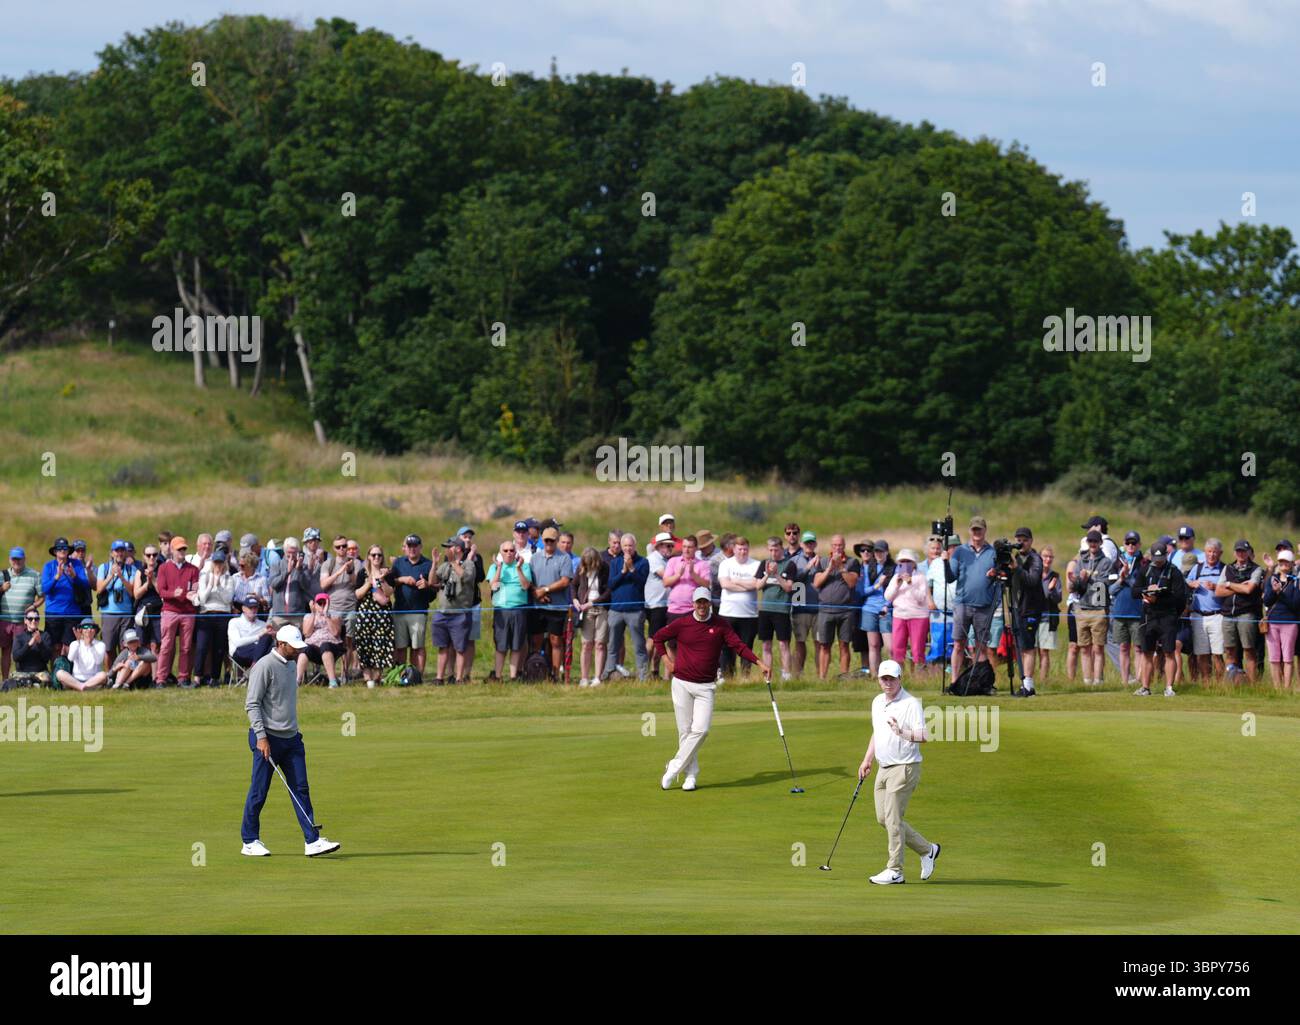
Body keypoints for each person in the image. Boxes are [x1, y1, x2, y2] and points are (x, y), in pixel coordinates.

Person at [651, 586, 770, 792]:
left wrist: (759, 663)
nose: (702, 606)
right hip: (681, 683)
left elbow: (739, 646)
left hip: (705, 686)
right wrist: (667, 662)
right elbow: (658, 638)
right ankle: (691, 776)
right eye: (699, 602)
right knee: (685, 731)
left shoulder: (720, 625)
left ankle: (674, 766)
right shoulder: (682, 623)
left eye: (705, 602)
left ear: (710, 603)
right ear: (693, 604)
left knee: (702, 730)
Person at [240, 624, 341, 858]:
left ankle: (312, 840)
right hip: (267, 738)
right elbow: (252, 704)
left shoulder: (292, 663)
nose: (297, 651)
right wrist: (261, 737)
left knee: (301, 789)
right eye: (293, 647)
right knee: (259, 791)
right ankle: (249, 840)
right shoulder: (264, 666)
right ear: (281, 644)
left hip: (292, 738)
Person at [857, 659, 940, 885]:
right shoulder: (877, 702)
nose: (888, 683)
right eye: (884, 679)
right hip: (883, 768)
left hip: (905, 767)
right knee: (884, 818)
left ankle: (895, 870)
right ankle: (927, 849)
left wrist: (901, 732)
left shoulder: (911, 703)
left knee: (893, 818)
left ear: (900, 679)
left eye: (892, 678)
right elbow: (878, 733)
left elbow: (924, 735)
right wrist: (867, 760)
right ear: (879, 680)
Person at [943, 517, 999, 682]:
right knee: (959, 644)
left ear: (985, 530)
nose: (977, 532)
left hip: (984, 605)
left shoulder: (992, 552)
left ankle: (980, 681)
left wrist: (995, 574)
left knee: (981, 646)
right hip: (962, 604)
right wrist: (945, 561)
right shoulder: (960, 551)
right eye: (974, 529)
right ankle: (954, 681)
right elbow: (950, 578)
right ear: (970, 531)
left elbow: (1000, 576)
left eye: (979, 529)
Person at [1132, 542, 1188, 697]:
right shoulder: (1145, 569)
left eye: (1161, 557)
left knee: (1169, 652)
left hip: (1167, 617)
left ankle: (1169, 687)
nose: (1158, 560)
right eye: (1155, 557)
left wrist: (1160, 598)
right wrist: (1147, 591)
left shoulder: (1174, 572)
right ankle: (1145, 687)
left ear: (1166, 555)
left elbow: (1179, 598)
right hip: (1148, 616)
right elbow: (1134, 591)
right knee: (1147, 652)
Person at [154, 536, 200, 688]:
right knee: (166, 645)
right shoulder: (163, 568)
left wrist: (191, 594)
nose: (182, 551)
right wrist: (175, 593)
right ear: (172, 550)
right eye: (179, 549)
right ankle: (161, 678)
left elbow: (194, 588)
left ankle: (183, 678)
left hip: (187, 612)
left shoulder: (193, 569)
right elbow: (161, 591)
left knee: (186, 647)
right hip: (170, 611)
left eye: (184, 549)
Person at [431, 537, 478, 684]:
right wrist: (434, 563)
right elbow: (433, 581)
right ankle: (439, 678)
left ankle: (459, 678)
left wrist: (453, 562)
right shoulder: (445, 566)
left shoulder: (469, 564)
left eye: (449, 547)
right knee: (442, 647)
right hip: (442, 612)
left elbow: (466, 577)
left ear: (457, 549)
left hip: (460, 613)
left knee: (460, 648)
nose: (446, 550)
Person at [604, 533, 650, 681]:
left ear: (635, 546)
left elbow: (641, 582)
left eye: (630, 545)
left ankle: (643, 676)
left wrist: (631, 569)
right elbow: (611, 584)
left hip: (635, 611)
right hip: (616, 610)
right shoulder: (615, 562)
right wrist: (623, 572)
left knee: (639, 645)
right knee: (612, 645)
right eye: (625, 546)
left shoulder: (643, 562)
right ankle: (609, 673)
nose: (627, 548)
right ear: (621, 547)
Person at [1217, 540, 1263, 683]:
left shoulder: (1256, 569)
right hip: (1228, 615)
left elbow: (1249, 589)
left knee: (1249, 650)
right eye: (1238, 551)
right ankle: (1231, 683)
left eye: (1243, 551)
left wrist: (1230, 585)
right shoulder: (1228, 568)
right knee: (1229, 650)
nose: (1241, 554)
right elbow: (1218, 591)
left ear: (1249, 552)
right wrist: (1239, 587)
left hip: (1246, 614)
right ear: (1234, 553)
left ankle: (1251, 684)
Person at [1005, 527, 1044, 697]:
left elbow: (1032, 580)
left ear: (1031, 541)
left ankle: (1028, 685)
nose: (1021, 543)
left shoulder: (1035, 559)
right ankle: (1025, 683)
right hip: (1016, 607)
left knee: (1028, 647)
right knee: (1020, 647)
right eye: (1018, 539)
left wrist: (1016, 568)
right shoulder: (1013, 558)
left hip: (1030, 609)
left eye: (1025, 539)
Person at [529, 526, 573, 676]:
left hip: (557, 607)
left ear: (556, 541)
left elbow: (565, 581)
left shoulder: (564, 558)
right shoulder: (534, 558)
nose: (548, 543)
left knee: (555, 641)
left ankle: (554, 674)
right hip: (538, 606)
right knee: (536, 641)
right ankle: (535, 672)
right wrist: (538, 593)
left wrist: (545, 590)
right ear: (542, 540)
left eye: (551, 540)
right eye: (546, 540)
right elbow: (530, 581)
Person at [1071, 530, 1113, 687]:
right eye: (1090, 542)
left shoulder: (1106, 562)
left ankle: (1098, 680)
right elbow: (1076, 586)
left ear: (1100, 543)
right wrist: (1075, 581)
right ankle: (1087, 681)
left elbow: (1103, 585)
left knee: (1098, 648)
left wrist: (1087, 578)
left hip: (1099, 609)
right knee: (1084, 648)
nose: (1093, 544)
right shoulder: (1081, 560)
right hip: (1082, 608)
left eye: (1095, 541)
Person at [487, 539, 533, 681]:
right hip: (501, 610)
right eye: (505, 550)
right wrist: (499, 567)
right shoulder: (494, 567)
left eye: (511, 550)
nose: (508, 553)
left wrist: (518, 569)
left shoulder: (524, 567)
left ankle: (513, 676)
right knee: (501, 645)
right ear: (501, 552)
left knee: (516, 645)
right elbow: (493, 586)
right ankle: (498, 676)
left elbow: (525, 586)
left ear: (515, 552)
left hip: (518, 609)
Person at [717, 536, 763, 677]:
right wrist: (747, 585)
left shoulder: (756, 564)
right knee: (726, 647)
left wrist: (736, 581)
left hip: (749, 615)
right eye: (740, 549)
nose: (743, 552)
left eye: (745, 549)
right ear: (734, 549)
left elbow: (757, 585)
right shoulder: (725, 564)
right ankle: (727, 677)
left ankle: (745, 677)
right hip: (728, 613)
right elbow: (725, 584)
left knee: (746, 647)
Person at [1108, 532, 1148, 688]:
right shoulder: (1116, 563)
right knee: (1123, 647)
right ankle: (1125, 681)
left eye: (1134, 543)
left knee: (1138, 648)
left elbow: (1142, 589)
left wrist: (1129, 578)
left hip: (1137, 611)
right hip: (1120, 611)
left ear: (1138, 545)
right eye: (1128, 543)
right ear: (1123, 544)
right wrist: (1121, 579)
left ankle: (1138, 680)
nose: (1131, 546)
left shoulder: (1144, 563)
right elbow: (1111, 590)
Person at [391, 533, 434, 674]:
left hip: (418, 611)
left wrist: (427, 584)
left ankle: (417, 675)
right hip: (400, 610)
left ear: (420, 547)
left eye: (415, 546)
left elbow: (435, 587)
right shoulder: (398, 563)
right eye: (409, 546)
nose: (412, 549)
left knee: (418, 646)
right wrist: (402, 579)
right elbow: (391, 583)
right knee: (400, 646)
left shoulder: (428, 564)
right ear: (405, 548)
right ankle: (401, 674)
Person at [353, 544, 396, 688]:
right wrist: (369, 582)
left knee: (381, 645)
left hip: (382, 616)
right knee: (365, 644)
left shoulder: (388, 573)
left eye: (379, 555)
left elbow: (390, 593)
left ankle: (377, 678)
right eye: (373, 555)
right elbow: (357, 594)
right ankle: (367, 678)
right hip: (365, 615)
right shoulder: (362, 573)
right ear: (369, 557)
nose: (376, 557)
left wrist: (382, 579)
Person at [757, 536, 797, 681]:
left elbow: (788, 587)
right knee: (766, 644)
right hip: (765, 609)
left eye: (776, 549)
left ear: (781, 548)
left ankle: (786, 674)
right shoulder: (763, 564)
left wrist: (777, 575)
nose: (773, 553)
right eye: (771, 550)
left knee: (783, 644)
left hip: (781, 610)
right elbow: (757, 586)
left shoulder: (789, 564)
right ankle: (767, 675)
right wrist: (767, 573)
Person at [1186, 538, 1226, 681]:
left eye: (1215, 552)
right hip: (1198, 616)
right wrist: (1192, 584)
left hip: (1217, 615)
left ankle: (1220, 684)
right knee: (1202, 653)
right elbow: (1186, 582)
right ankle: (1206, 683)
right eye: (1209, 551)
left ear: (1220, 553)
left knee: (1217, 653)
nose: (1212, 555)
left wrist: (1216, 588)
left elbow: (1229, 588)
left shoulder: (1224, 569)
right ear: (1205, 552)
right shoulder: (1197, 568)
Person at [194, 548, 236, 686]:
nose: (218, 565)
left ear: (224, 563)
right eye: (216, 562)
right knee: (202, 646)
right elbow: (203, 599)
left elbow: (227, 599)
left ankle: (215, 677)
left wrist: (218, 586)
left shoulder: (229, 578)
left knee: (219, 648)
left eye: (220, 562)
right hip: (206, 613)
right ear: (212, 563)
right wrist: (211, 585)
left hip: (223, 614)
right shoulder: (204, 576)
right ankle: (197, 677)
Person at [40, 537, 88, 656]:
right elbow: (45, 589)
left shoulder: (76, 564)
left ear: (68, 551)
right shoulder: (48, 566)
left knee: (69, 647)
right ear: (55, 552)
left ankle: (67, 673)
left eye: (65, 548)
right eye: (59, 548)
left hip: (72, 612)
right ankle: (56, 673)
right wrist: (56, 577)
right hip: (53, 612)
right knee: (55, 647)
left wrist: (74, 576)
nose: (62, 550)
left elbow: (86, 585)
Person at [1, 547, 43, 678]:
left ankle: (20, 678)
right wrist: (2, 588)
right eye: (14, 559)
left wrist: (34, 606)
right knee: (5, 651)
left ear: (24, 559)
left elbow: (42, 596)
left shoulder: (34, 575)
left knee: (21, 652)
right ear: (10, 560)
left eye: (19, 559)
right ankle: (6, 680)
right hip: (4, 621)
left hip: (23, 622)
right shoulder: (2, 575)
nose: (16, 561)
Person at [884, 549, 929, 673]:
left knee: (917, 649)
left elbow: (921, 598)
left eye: (908, 561)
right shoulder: (895, 577)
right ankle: (899, 676)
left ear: (914, 563)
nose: (905, 564)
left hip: (918, 616)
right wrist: (897, 585)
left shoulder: (921, 577)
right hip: (899, 615)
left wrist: (910, 583)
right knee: (897, 648)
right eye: (902, 562)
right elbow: (888, 597)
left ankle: (919, 678)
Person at [572, 547, 610, 688]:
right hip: (585, 610)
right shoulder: (581, 568)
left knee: (600, 643)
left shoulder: (605, 567)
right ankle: (584, 678)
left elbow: (608, 591)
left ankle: (597, 678)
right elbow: (573, 585)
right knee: (586, 644)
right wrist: (575, 599)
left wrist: (592, 603)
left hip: (601, 609)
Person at [1262, 550, 1300, 690]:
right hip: (1273, 622)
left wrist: (1280, 593)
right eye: (1281, 562)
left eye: (1286, 562)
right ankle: (1277, 689)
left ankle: (1287, 688)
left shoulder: (1296, 581)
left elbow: (1296, 604)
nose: (1283, 564)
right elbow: (1266, 601)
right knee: (1274, 657)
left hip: (1290, 623)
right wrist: (1273, 591)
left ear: (1291, 564)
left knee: (1288, 657)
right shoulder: (1272, 579)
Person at [852, 540, 889, 677]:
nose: (866, 552)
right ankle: (872, 674)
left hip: (884, 609)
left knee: (886, 645)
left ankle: (888, 674)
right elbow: (860, 591)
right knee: (870, 645)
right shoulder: (862, 568)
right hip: (866, 608)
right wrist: (877, 586)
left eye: (869, 550)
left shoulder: (889, 567)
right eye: (863, 550)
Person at [95, 540, 137, 659]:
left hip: (126, 614)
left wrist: (121, 577)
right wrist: (110, 576)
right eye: (117, 550)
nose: (119, 553)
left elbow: (132, 592)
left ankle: (123, 676)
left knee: (125, 648)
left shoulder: (131, 569)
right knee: (108, 648)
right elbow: (99, 589)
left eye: (122, 550)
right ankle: (110, 676)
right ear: (112, 553)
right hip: (108, 613)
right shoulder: (103, 567)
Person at [790, 531, 822, 676]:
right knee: (800, 643)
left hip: (818, 607)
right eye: (806, 542)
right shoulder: (794, 560)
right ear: (801, 544)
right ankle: (798, 675)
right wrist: (808, 568)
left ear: (815, 544)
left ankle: (820, 675)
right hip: (800, 607)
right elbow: (794, 581)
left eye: (811, 542)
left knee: (819, 643)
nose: (809, 545)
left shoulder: (821, 560)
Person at [267, 536, 316, 628]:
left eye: (294, 553)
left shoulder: (303, 567)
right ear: (284, 551)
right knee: (279, 640)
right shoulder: (277, 565)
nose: (292, 555)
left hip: (297, 614)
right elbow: (273, 584)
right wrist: (287, 572)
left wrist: (298, 570)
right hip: (279, 614)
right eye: (289, 552)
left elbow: (306, 586)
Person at [456, 526, 484, 679]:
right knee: (456, 640)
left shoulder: (477, 557)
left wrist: (473, 559)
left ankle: (466, 673)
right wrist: (467, 558)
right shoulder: (452, 555)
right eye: (464, 536)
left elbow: (479, 577)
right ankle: (454, 673)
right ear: (458, 538)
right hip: (457, 604)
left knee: (470, 640)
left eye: (469, 537)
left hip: (473, 602)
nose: (467, 539)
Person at [643, 533, 673, 678]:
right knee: (653, 639)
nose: (670, 548)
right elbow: (666, 576)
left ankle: (655, 671)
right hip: (655, 605)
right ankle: (644, 671)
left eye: (671, 545)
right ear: (659, 546)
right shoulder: (653, 559)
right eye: (667, 545)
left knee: (661, 640)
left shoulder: (667, 560)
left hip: (666, 604)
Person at [301, 594, 346, 687]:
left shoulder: (334, 615)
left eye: (324, 603)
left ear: (328, 604)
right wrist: (313, 614)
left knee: (325, 646)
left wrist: (326, 615)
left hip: (332, 646)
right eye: (319, 603)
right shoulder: (308, 616)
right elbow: (307, 633)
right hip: (313, 647)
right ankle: (297, 681)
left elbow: (335, 633)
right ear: (315, 604)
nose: (322, 605)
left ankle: (333, 682)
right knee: (304, 650)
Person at [56, 618, 109, 691]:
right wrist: (78, 642)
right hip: (76, 679)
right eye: (85, 627)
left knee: (103, 675)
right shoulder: (74, 643)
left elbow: (98, 661)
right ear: (81, 631)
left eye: (92, 627)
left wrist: (90, 644)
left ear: (95, 631)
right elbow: (70, 658)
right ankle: (82, 687)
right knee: (59, 673)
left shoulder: (100, 644)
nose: (89, 630)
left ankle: (80, 687)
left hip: (93, 679)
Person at [132, 544, 164, 656]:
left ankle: (156, 674)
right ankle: (144, 673)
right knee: (142, 645)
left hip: (158, 611)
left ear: (158, 555)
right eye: (148, 555)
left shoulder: (163, 570)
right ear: (144, 556)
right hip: (143, 612)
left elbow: (163, 593)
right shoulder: (139, 572)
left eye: (154, 555)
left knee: (156, 646)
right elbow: (136, 594)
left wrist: (153, 580)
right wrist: (147, 584)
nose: (151, 557)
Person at [1035, 545, 1062, 681]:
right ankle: (1029, 679)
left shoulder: (1055, 576)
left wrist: (1052, 590)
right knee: (1031, 650)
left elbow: (1058, 598)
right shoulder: (1034, 574)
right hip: (1033, 616)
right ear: (1040, 558)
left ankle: (1043, 680)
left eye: (1050, 557)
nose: (1048, 559)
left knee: (1044, 651)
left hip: (1047, 618)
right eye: (1045, 556)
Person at [229, 595, 276, 669]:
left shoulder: (262, 624)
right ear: (243, 608)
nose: (253, 610)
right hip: (239, 653)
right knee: (268, 650)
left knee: (268, 638)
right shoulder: (234, 622)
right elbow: (237, 643)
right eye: (250, 608)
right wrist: (258, 636)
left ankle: (254, 665)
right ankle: (255, 667)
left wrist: (273, 635)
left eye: (255, 607)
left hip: (258, 653)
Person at [10, 607, 52, 685]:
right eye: (30, 619)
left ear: (39, 620)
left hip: (40, 672)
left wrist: (40, 643)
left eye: (36, 619)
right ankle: (29, 683)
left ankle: (32, 683)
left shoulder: (45, 636)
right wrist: (29, 644)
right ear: (25, 621)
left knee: (46, 680)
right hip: (23, 672)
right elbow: (16, 657)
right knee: (21, 681)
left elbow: (47, 658)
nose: (33, 621)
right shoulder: (19, 637)